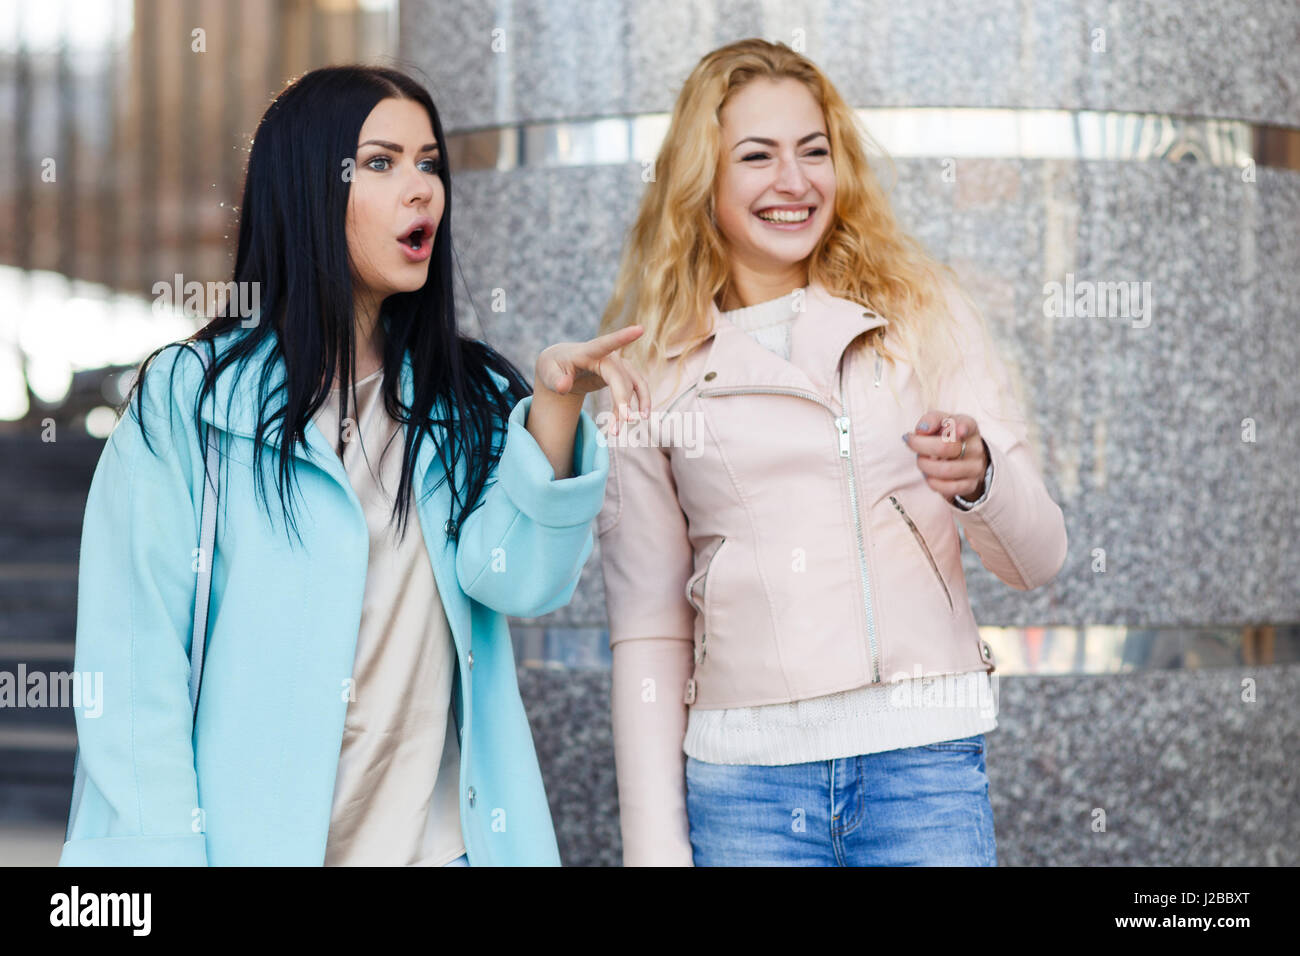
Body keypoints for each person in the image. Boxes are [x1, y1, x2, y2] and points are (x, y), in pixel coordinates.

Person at [59, 65, 647, 866]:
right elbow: (134, 669)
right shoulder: (191, 401)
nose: (422, 190)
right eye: (381, 163)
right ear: (306, 187)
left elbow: (519, 581)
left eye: (430, 163)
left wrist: (555, 408)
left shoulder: (462, 394)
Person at [595, 39, 1067, 866]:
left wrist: (982, 479)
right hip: (745, 792)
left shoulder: (922, 312)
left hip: (922, 770)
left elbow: (1040, 559)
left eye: (814, 151)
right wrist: (653, 850)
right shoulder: (648, 371)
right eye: (757, 156)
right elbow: (647, 628)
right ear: (701, 178)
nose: (795, 180)